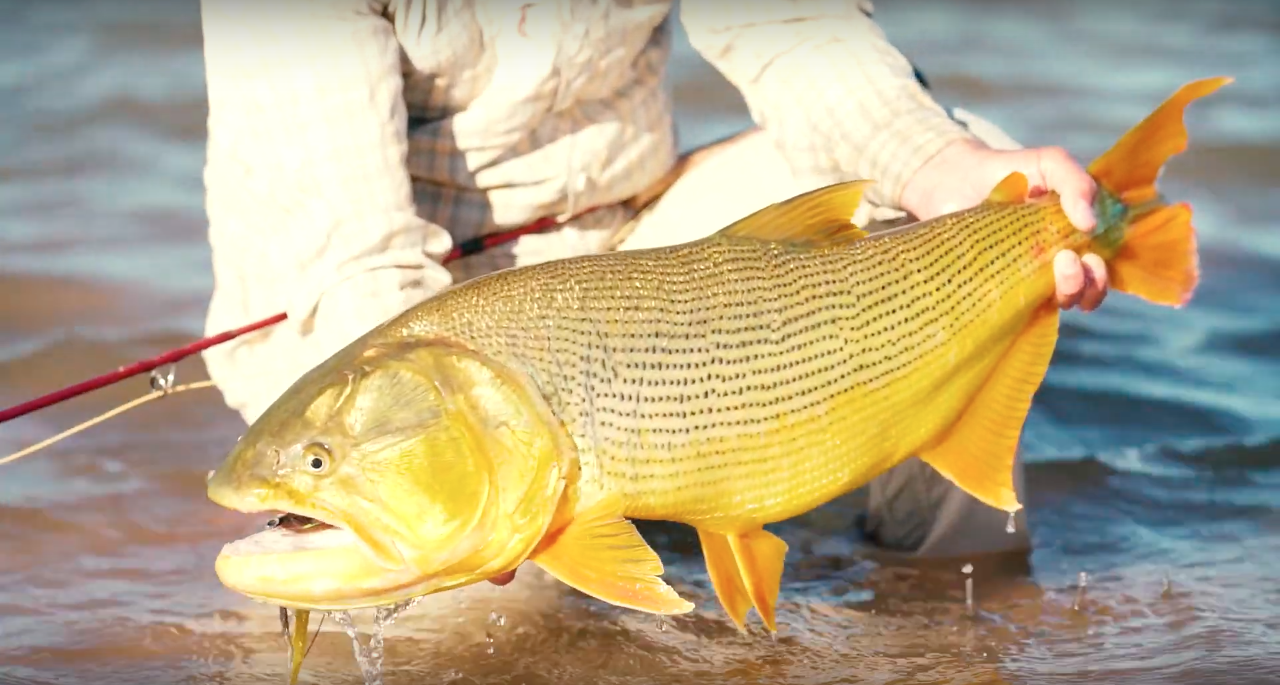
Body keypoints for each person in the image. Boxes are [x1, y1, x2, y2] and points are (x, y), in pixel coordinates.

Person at [198, 0, 1109, 568]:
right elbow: (358, 263)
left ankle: (947, 592)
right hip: (374, 318)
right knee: (484, 642)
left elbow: (787, 26)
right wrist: (489, 488)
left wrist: (940, 163)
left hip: (624, 251)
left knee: (958, 207)